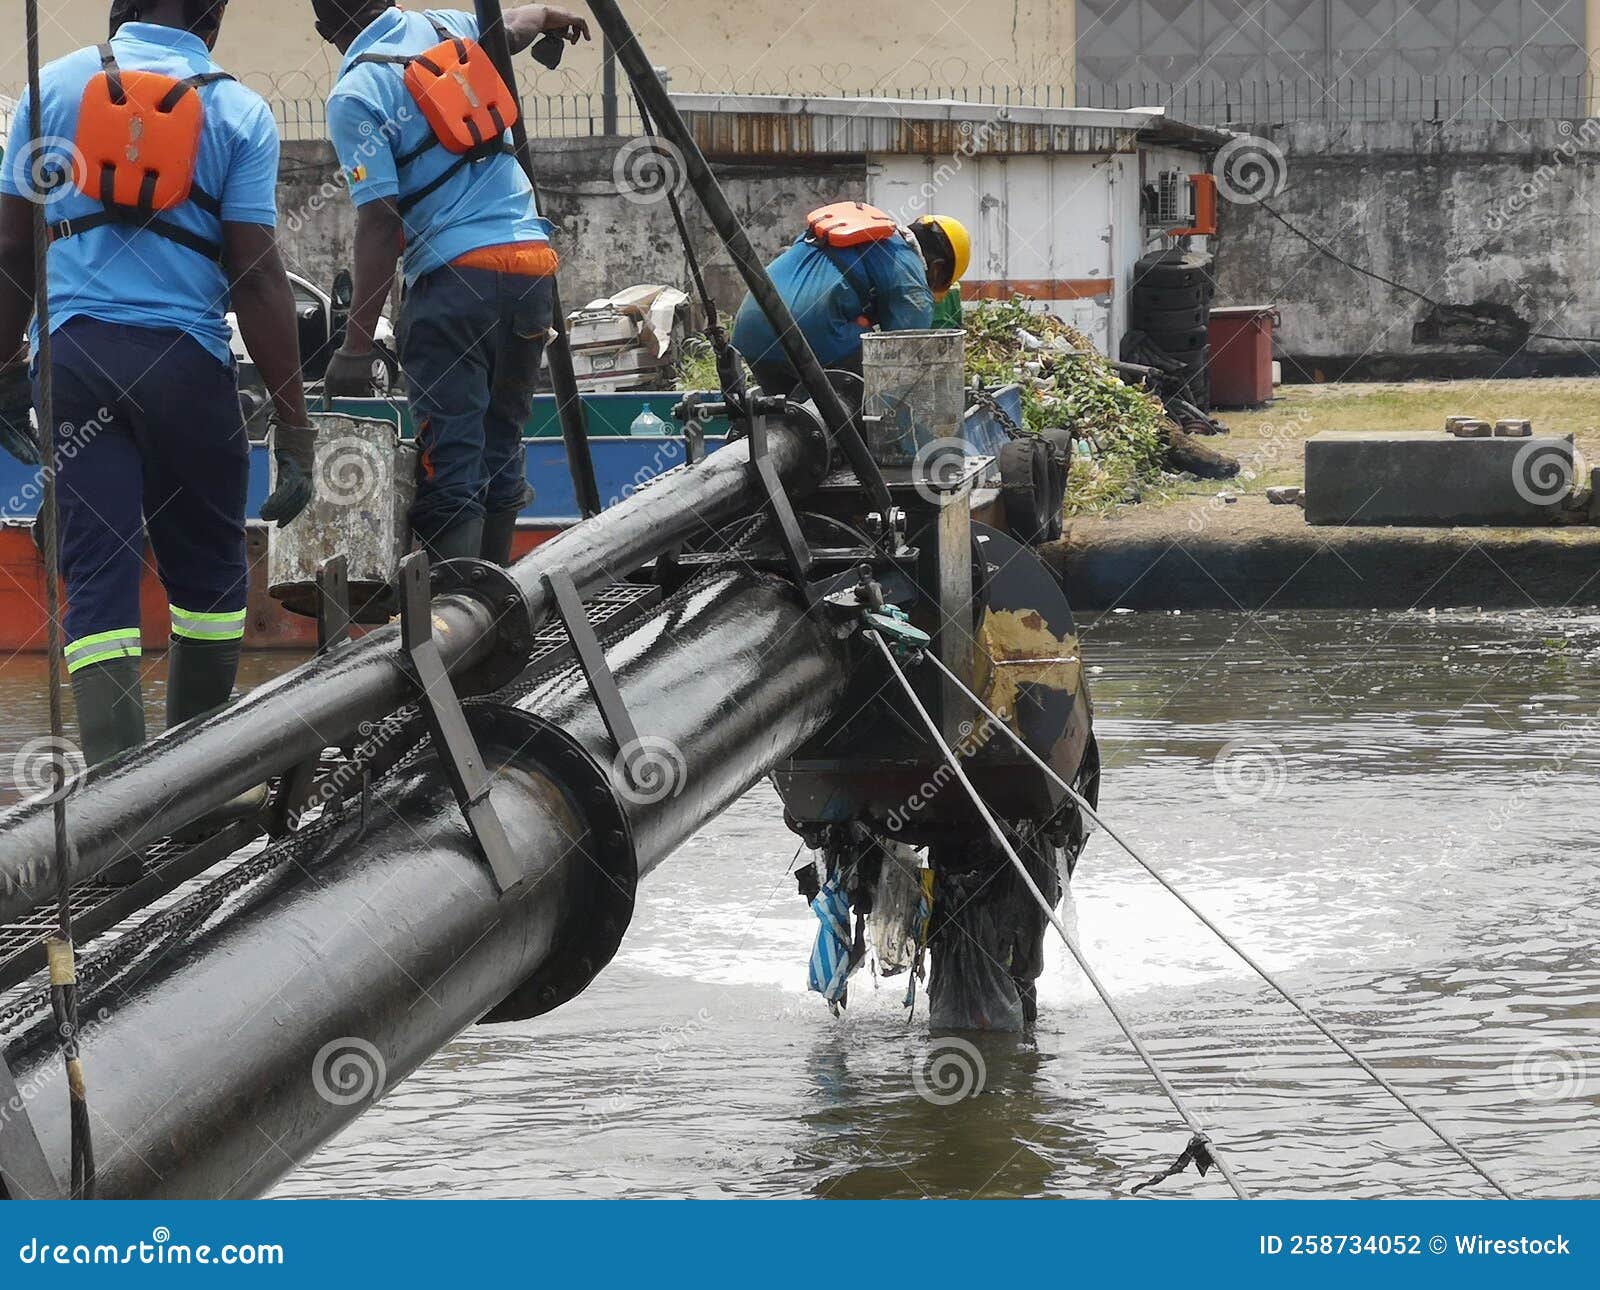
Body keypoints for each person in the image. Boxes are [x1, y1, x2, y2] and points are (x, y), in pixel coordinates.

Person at [0, 0, 316, 768]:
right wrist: (295, 424)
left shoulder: (52, 89)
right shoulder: (238, 110)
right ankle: (195, 794)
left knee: (96, 578)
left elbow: (11, 246)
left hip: (73, 362)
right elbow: (258, 276)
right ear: (209, 22)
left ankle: (118, 811)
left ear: (122, 9)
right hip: (187, 368)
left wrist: (6, 374)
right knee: (209, 581)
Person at [312, 2, 590, 564]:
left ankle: (456, 619)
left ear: (325, 32)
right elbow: (513, 26)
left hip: (456, 281)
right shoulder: (447, 27)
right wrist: (551, 16)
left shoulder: (356, 92)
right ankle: (498, 598)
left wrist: (356, 346)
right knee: (502, 439)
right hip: (533, 268)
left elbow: (380, 222)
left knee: (453, 455)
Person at [730, 203, 971, 395]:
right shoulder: (908, 270)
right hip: (811, 336)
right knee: (877, 396)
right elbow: (905, 353)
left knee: (784, 418)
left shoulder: (848, 235)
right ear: (937, 269)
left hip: (750, 333)